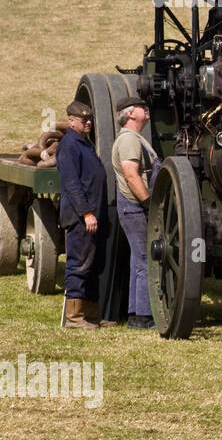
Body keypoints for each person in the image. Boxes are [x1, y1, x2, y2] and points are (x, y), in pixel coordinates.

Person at [56, 101, 109, 328]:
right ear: (71, 121)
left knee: (93, 265)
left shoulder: (84, 143)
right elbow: (72, 184)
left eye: (90, 119)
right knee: (78, 264)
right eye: (83, 119)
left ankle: (91, 314)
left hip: (93, 217)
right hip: (81, 218)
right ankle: (74, 318)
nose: (88, 122)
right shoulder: (69, 145)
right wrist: (87, 213)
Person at [111, 96, 159, 329]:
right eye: (142, 107)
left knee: (138, 259)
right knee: (144, 260)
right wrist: (148, 203)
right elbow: (131, 174)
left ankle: (135, 313)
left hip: (132, 207)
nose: (145, 109)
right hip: (135, 207)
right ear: (130, 114)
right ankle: (143, 317)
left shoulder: (134, 138)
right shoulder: (129, 139)